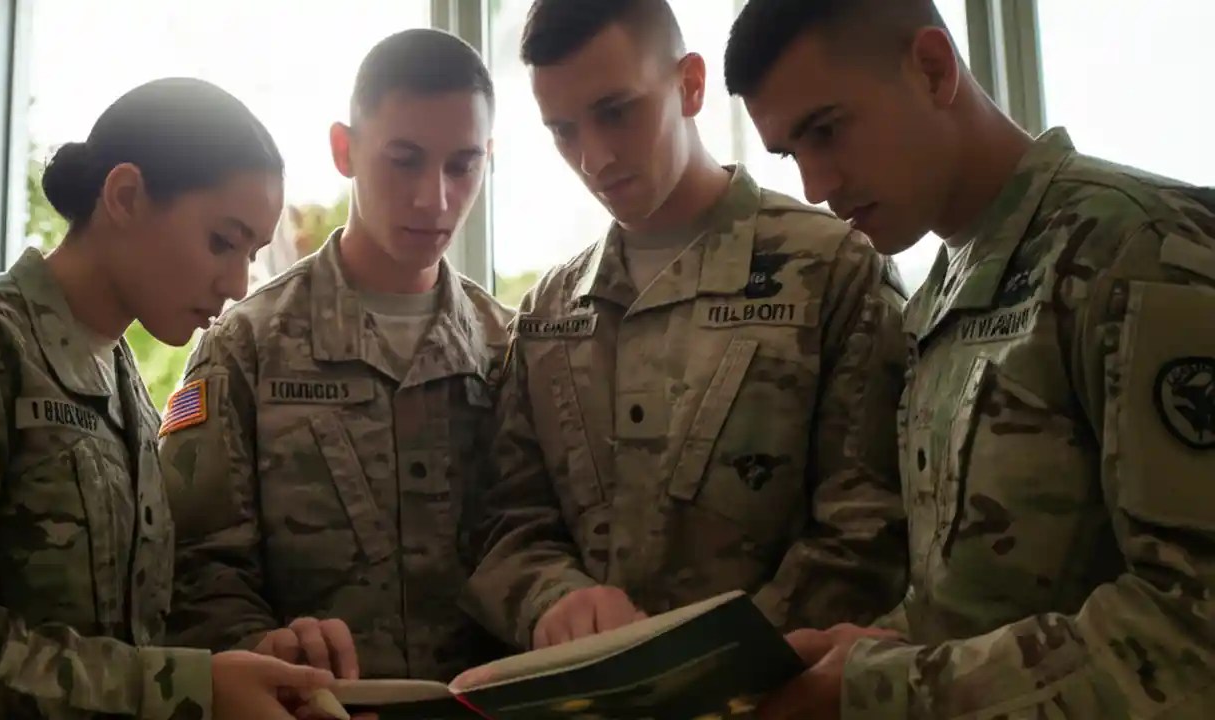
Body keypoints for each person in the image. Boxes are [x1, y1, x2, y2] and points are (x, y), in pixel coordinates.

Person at [724, 0, 1215, 718]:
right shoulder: (940, 297)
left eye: (826, 130)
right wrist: (873, 649)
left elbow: (1193, 629)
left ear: (932, 69)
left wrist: (877, 688)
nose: (815, 187)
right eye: (790, 154)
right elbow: (975, 605)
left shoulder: (1140, 251)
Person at [459, 0, 908, 655]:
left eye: (617, 112)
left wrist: (710, 663)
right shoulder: (549, 312)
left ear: (691, 85)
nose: (594, 158)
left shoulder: (832, 270)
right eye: (563, 130)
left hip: (786, 689)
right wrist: (554, 601)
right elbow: (511, 523)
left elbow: (869, 532)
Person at [0, 77, 336, 719]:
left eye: (252, 254)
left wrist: (249, 661)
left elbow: (128, 639)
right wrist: (188, 689)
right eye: (222, 241)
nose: (238, 284)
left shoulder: (130, 394)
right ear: (124, 196)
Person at [158, 29, 513, 684]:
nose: (433, 199)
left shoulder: (510, 348)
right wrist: (266, 651)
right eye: (404, 160)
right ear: (344, 150)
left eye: (462, 166)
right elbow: (196, 568)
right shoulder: (246, 347)